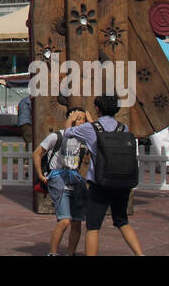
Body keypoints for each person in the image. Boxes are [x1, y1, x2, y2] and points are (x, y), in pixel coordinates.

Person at [62, 95, 144, 256]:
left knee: (93, 226)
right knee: (122, 221)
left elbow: (67, 133)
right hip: (122, 182)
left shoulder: (90, 128)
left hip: (99, 183)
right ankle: (140, 254)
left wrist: (71, 120)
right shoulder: (123, 128)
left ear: (97, 109)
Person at [33, 106, 90, 256]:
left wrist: (91, 122)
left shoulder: (84, 139)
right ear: (69, 118)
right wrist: (40, 174)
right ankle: (53, 252)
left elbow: (98, 139)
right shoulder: (57, 136)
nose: (81, 122)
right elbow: (37, 153)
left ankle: (71, 253)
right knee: (64, 221)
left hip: (75, 180)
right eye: (78, 118)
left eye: (83, 119)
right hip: (59, 179)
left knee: (77, 222)